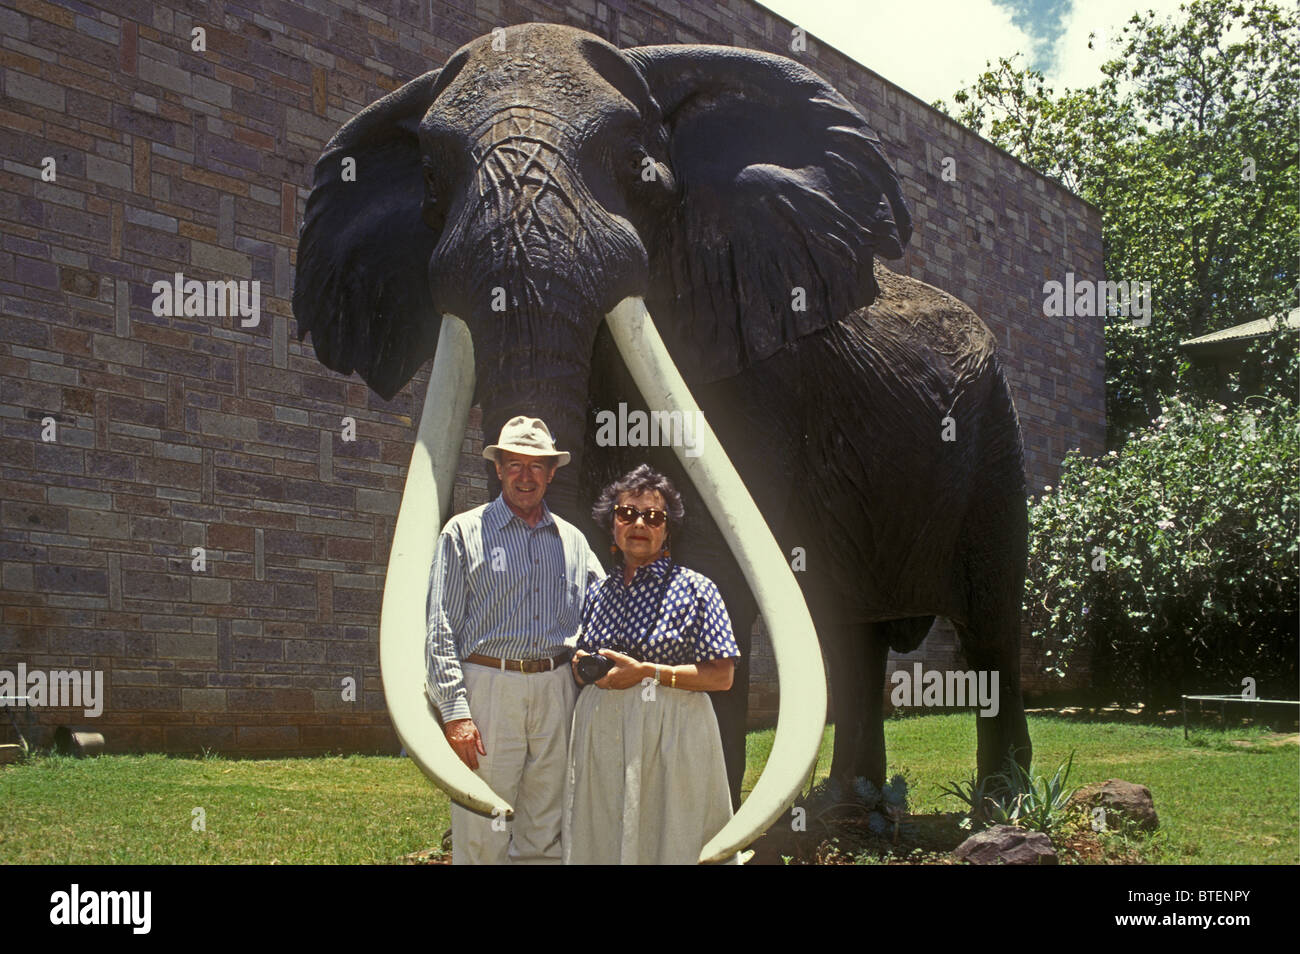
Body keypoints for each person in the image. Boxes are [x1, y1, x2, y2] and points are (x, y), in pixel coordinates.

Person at [426, 415, 605, 864]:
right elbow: (440, 624)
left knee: (546, 822)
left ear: (551, 472)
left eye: (536, 466)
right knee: (482, 816)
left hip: (556, 688)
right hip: (488, 688)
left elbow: (604, 612)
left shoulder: (574, 542)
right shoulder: (463, 532)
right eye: (515, 464)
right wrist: (454, 712)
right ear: (499, 468)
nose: (526, 477)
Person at [563, 464, 741, 864]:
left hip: (674, 734)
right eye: (626, 514)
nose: (639, 523)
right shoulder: (598, 592)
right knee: (605, 830)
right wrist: (581, 666)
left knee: (674, 831)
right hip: (603, 734)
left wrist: (649, 673)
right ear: (612, 525)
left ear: (667, 529)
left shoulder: (696, 589)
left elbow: (723, 676)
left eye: (653, 516)